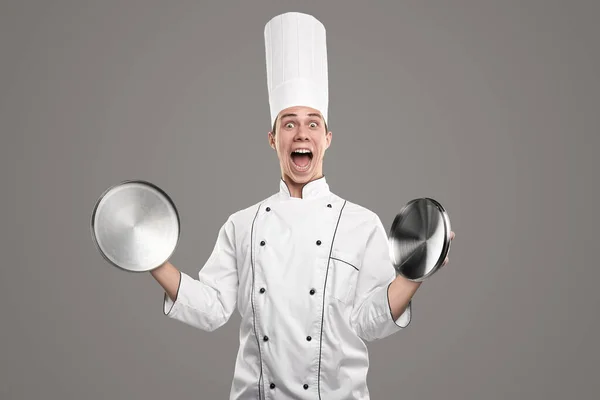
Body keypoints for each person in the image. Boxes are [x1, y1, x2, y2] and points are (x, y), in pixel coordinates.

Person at [150, 12, 454, 400]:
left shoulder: (360, 223)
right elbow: (211, 308)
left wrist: (416, 271)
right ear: (272, 138)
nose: (301, 132)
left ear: (327, 138)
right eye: (289, 123)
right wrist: (152, 256)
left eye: (312, 123)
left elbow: (369, 322)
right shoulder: (242, 225)